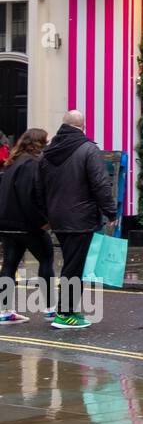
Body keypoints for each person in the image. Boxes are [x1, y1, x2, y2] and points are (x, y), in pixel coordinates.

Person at [40, 111, 117, 330]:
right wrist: (111, 212)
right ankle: (66, 314)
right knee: (74, 266)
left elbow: (39, 188)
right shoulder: (88, 149)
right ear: (83, 126)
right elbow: (101, 184)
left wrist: (46, 214)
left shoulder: (48, 152)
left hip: (58, 218)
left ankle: (66, 309)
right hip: (80, 217)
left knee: (70, 263)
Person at [0, 129, 55, 323]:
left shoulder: (13, 162)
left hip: (7, 223)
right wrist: (42, 221)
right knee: (47, 258)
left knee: (9, 265)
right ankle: (50, 309)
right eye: (45, 141)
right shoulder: (31, 163)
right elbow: (28, 196)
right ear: (38, 143)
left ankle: (5, 311)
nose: (47, 145)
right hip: (26, 224)